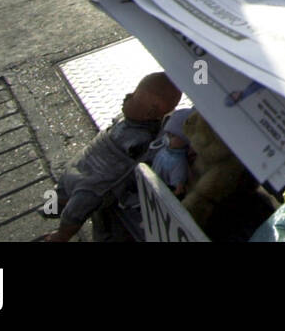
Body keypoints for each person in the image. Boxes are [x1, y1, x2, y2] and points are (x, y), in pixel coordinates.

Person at [39, 72, 181, 242]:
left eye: (134, 96)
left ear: (150, 112)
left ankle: (62, 234)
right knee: (64, 184)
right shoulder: (127, 118)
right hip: (84, 163)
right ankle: (56, 205)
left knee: (78, 207)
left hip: (97, 184)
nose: (127, 96)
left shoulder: (143, 138)